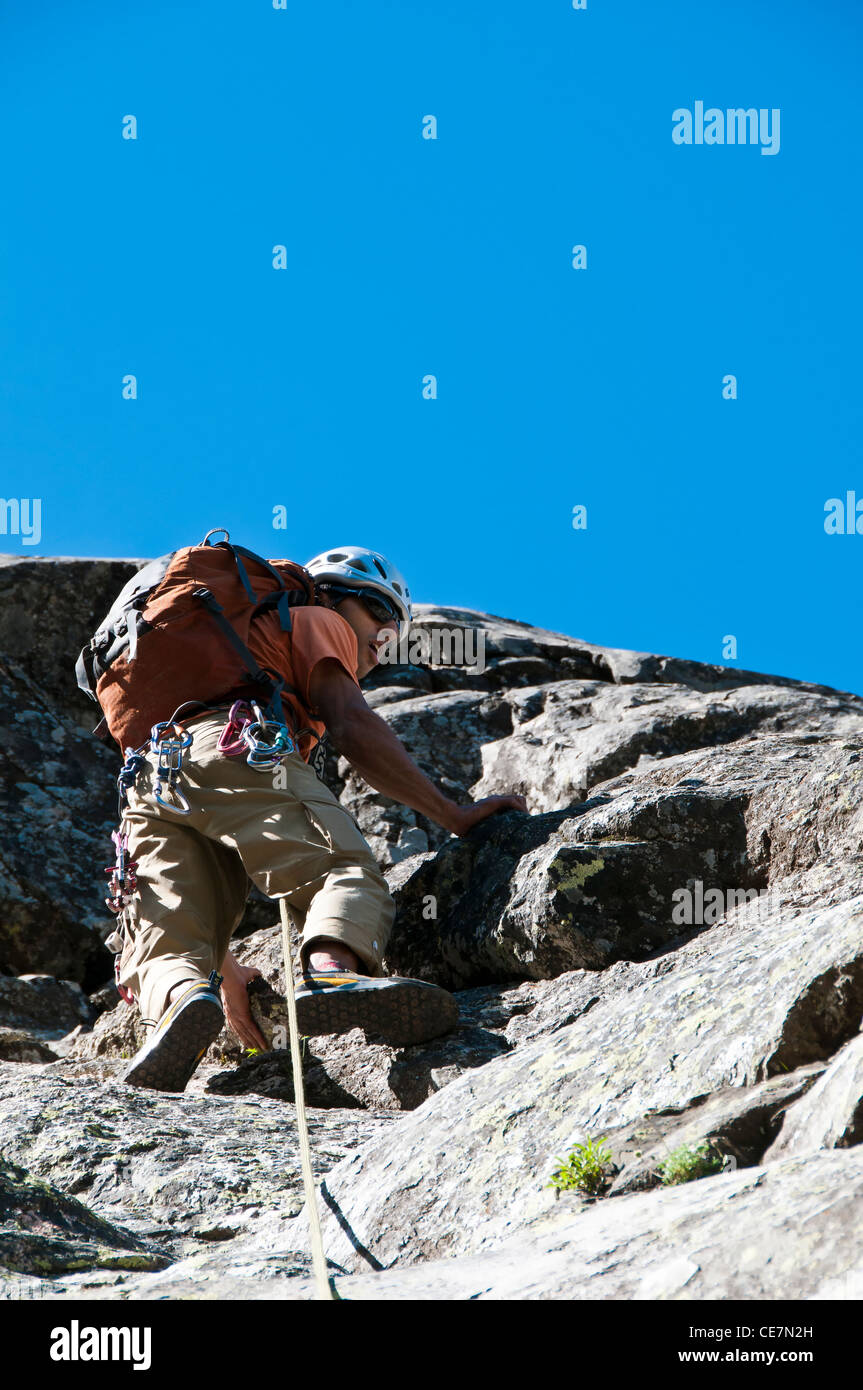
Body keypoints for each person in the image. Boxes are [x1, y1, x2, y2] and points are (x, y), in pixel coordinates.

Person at [118, 545, 527, 1091]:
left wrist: (229, 971)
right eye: (380, 614)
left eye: (395, 636)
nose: (383, 642)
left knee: (171, 929)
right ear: (334, 593)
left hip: (148, 780)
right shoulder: (317, 618)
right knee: (338, 866)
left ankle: (176, 1002)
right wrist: (452, 813)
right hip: (233, 743)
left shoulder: (228, 645)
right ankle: (333, 974)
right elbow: (352, 723)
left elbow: (200, 888)